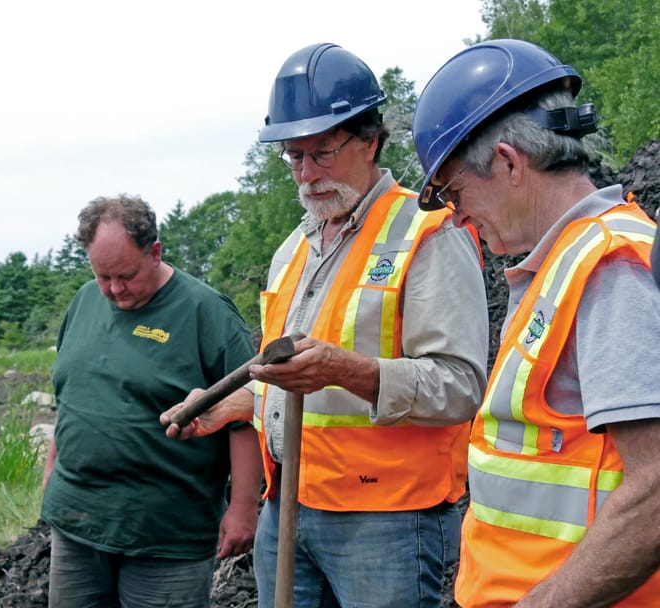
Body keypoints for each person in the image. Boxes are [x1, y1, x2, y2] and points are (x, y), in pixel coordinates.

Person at [168, 43, 490, 607]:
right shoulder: (294, 249)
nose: (307, 174)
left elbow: (461, 388)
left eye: (322, 153)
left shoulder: (428, 234)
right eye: (294, 158)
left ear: (370, 140)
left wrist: (347, 371)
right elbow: (288, 381)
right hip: (286, 506)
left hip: (385, 522)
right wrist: (235, 405)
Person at [412, 39, 660, 607]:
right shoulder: (561, 265)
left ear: (507, 162)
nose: (458, 215)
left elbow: (656, 487)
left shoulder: (608, 270)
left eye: (454, 192)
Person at [40, 194, 262, 607]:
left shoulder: (205, 312)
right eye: (103, 276)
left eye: (126, 275)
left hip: (166, 536)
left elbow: (248, 413)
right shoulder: (85, 302)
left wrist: (243, 507)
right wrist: (53, 466)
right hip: (76, 523)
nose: (115, 289)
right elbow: (71, 392)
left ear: (155, 251)